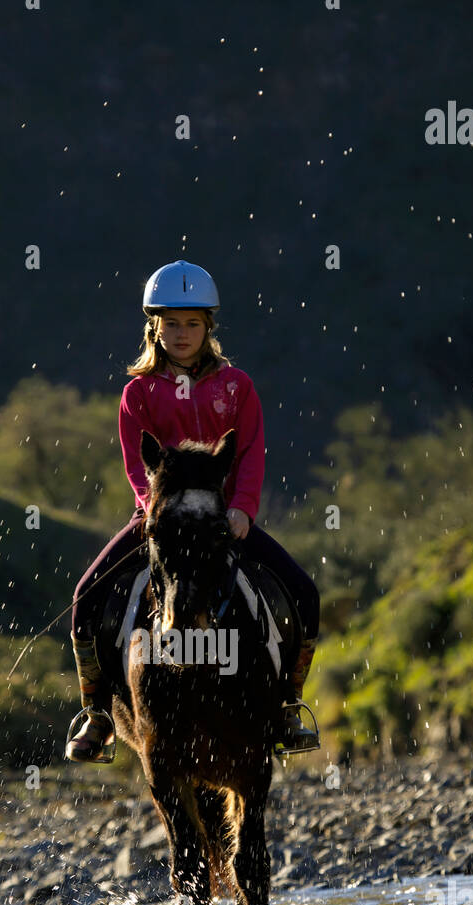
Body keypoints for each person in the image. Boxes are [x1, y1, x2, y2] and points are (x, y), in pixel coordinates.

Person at [64, 259, 320, 762]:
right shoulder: (137, 393)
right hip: (158, 521)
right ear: (154, 326)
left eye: (193, 324)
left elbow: (250, 453)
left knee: (304, 595)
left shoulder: (237, 387)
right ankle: (96, 713)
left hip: (225, 521)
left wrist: (243, 509)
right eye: (172, 323)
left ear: (209, 327)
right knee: (85, 599)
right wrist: (153, 510)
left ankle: (288, 704)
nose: (182, 334)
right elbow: (138, 469)